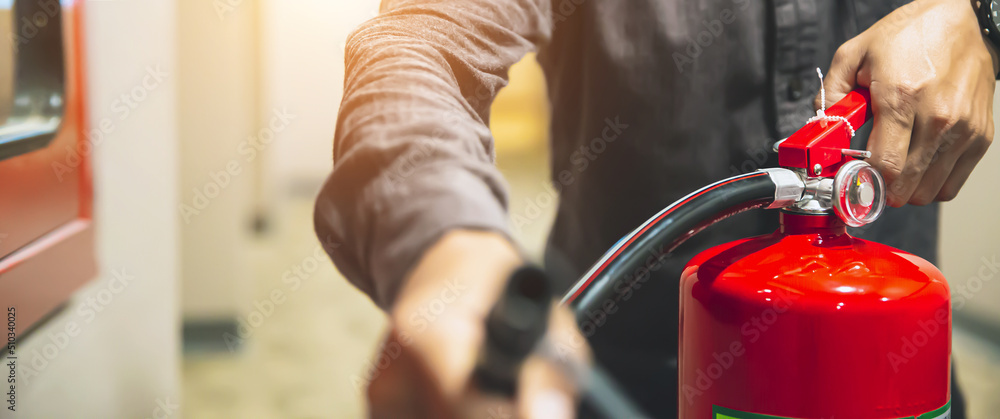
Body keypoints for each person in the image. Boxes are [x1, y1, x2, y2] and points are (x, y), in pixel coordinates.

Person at [315, 0, 995, 417]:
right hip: (621, 383)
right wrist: (449, 246)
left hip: (899, 382)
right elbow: (418, 43)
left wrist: (984, 18)